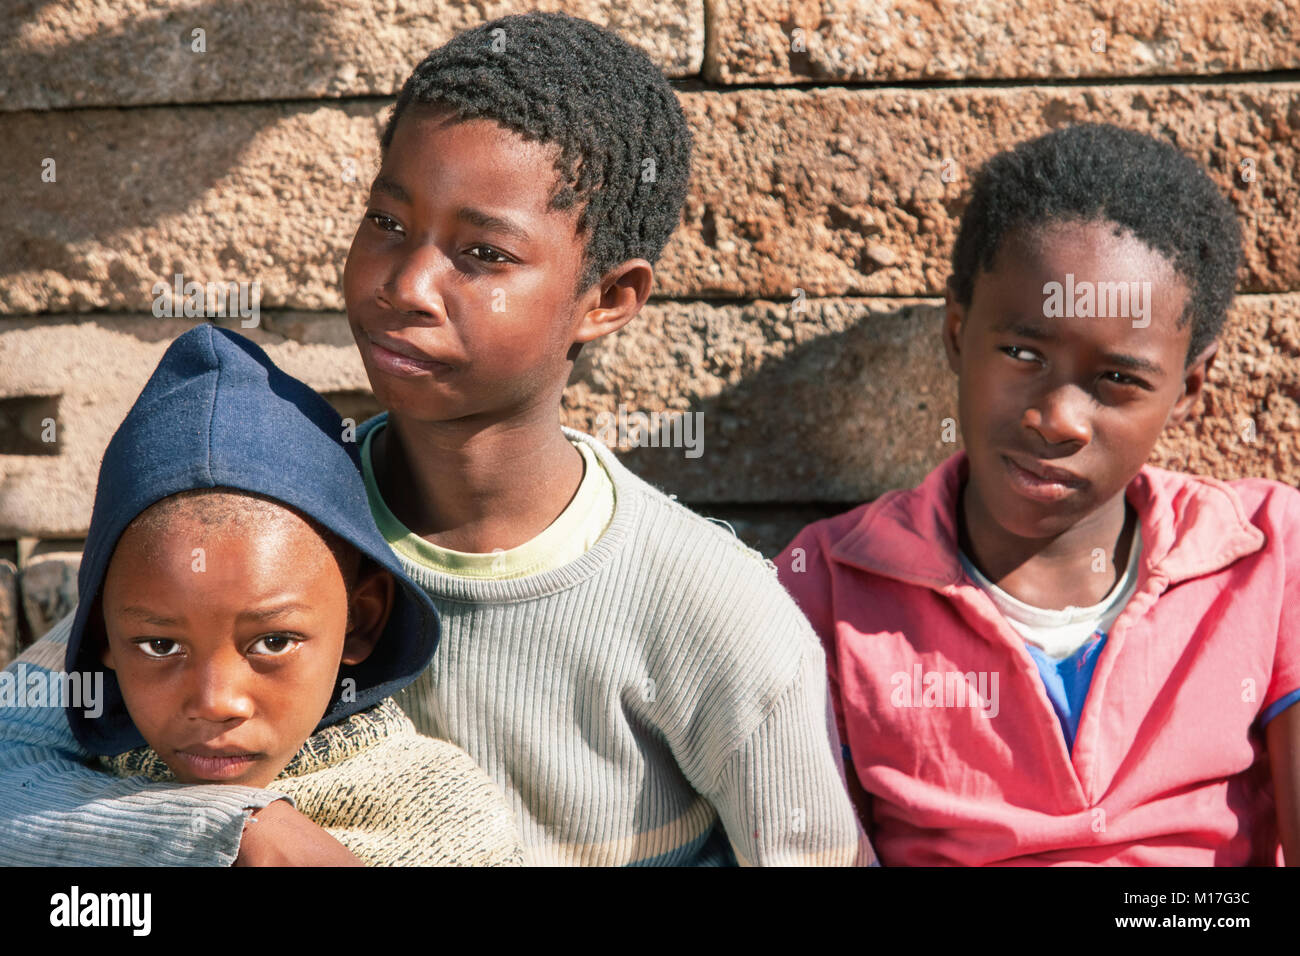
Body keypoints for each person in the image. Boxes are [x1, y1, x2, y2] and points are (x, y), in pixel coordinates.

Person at [0, 11, 872, 866]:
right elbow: (13, 762)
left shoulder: (713, 611)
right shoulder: (266, 520)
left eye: (484, 254)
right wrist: (236, 830)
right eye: (387, 223)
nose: (408, 284)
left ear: (607, 299)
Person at [777, 123, 1300, 865]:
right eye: (1023, 353)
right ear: (957, 334)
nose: (1057, 419)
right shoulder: (832, 582)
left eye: (1118, 380)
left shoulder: (1268, 556)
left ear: (1188, 388)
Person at [4, 324, 523, 866]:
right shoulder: (59, 786)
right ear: (97, 632)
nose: (215, 702)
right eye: (160, 646)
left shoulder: (447, 818)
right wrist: (227, 828)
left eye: (273, 641)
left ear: (362, 620)